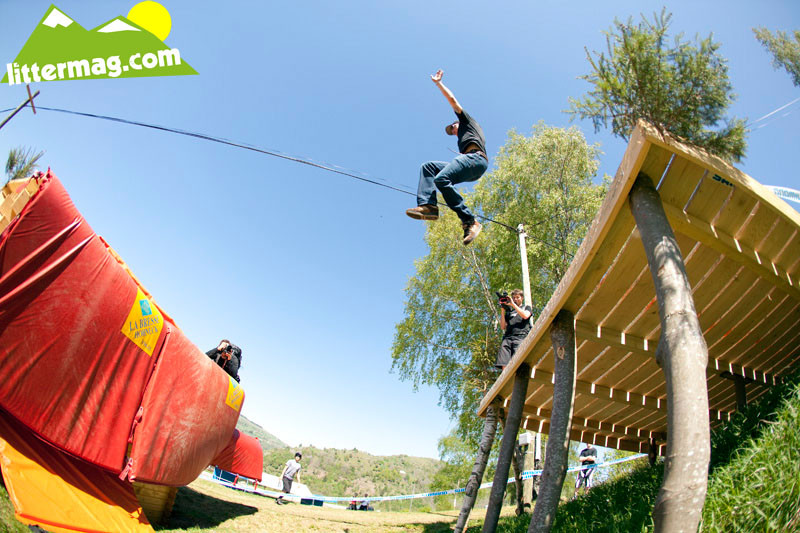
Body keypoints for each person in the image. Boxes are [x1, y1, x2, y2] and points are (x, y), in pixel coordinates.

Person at [406, 69, 488, 246]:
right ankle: (429, 207)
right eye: (452, 131)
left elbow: (453, 101)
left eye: (453, 127)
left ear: (458, 122)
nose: (454, 130)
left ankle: (470, 221)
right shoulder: (463, 140)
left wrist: (438, 83)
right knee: (428, 167)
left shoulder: (467, 121)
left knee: (441, 178)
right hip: (471, 164)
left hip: (476, 160)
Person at [495, 289, 532, 369]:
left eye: (517, 297)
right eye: (514, 298)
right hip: (508, 338)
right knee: (503, 361)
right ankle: (505, 379)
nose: (515, 299)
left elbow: (525, 315)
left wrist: (512, 305)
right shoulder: (509, 312)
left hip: (520, 337)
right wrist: (502, 310)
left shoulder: (526, 307)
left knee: (519, 362)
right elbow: (502, 326)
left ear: (522, 298)